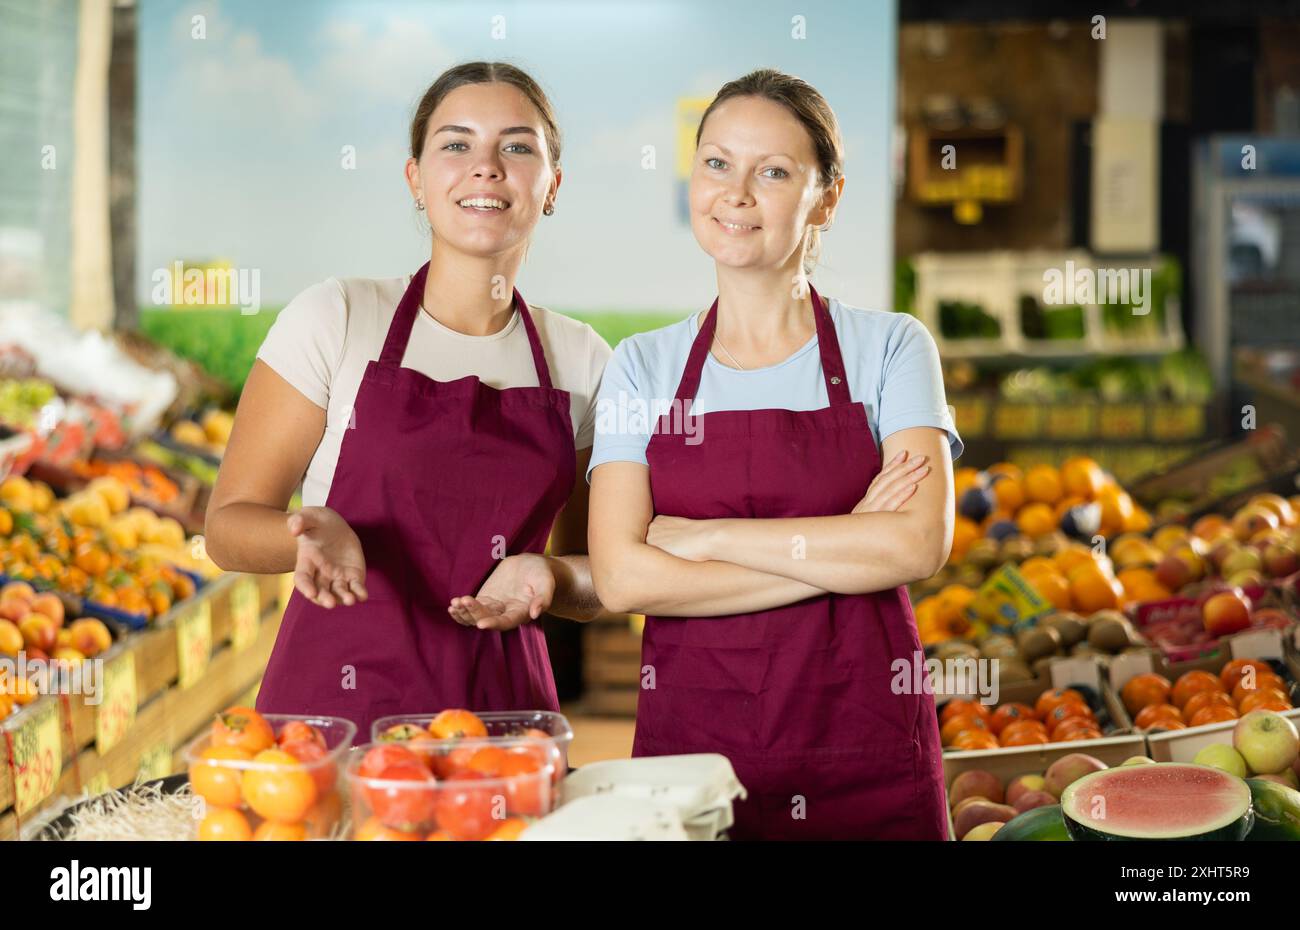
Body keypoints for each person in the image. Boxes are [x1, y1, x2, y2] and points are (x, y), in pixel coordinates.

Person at [587, 69, 963, 840]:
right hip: (692, 767)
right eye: (718, 163)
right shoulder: (640, 366)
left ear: (827, 197)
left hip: (865, 751)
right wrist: (848, 535)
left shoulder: (891, 348)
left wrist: (706, 538)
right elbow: (623, 578)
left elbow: (919, 543)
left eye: (775, 172)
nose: (737, 193)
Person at [205, 62, 611, 737]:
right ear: (416, 180)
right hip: (333, 722)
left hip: (502, 728)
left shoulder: (584, 359)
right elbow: (225, 529)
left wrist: (553, 578)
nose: (485, 167)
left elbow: (602, 575)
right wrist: (308, 534)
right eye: (455, 144)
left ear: (552, 187)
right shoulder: (335, 316)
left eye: (517, 146)